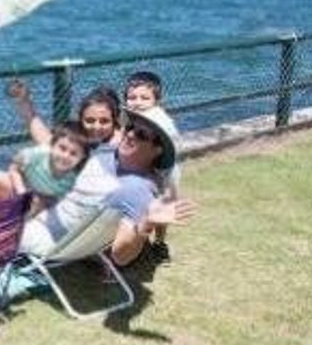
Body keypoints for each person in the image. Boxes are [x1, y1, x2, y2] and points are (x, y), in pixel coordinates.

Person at [18, 105, 195, 266]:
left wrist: (146, 224)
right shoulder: (112, 154)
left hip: (44, 236)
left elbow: (121, 257)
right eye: (130, 127)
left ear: (157, 150)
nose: (130, 134)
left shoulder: (137, 190)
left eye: (141, 135)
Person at [122, 70, 181, 263]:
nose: (137, 102)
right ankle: (139, 240)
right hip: (147, 168)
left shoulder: (158, 121)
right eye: (132, 97)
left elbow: (169, 149)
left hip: (165, 172)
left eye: (144, 98)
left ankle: (159, 243)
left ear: (156, 101)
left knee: (161, 207)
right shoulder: (133, 116)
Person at [0, 121, 90, 217]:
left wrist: (41, 201)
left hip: (40, 205)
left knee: (36, 205)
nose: (65, 156)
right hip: (20, 190)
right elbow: (14, 166)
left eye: (73, 153)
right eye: (62, 148)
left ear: (82, 158)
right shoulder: (38, 154)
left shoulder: (75, 179)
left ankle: (14, 224)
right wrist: (22, 191)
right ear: (52, 145)